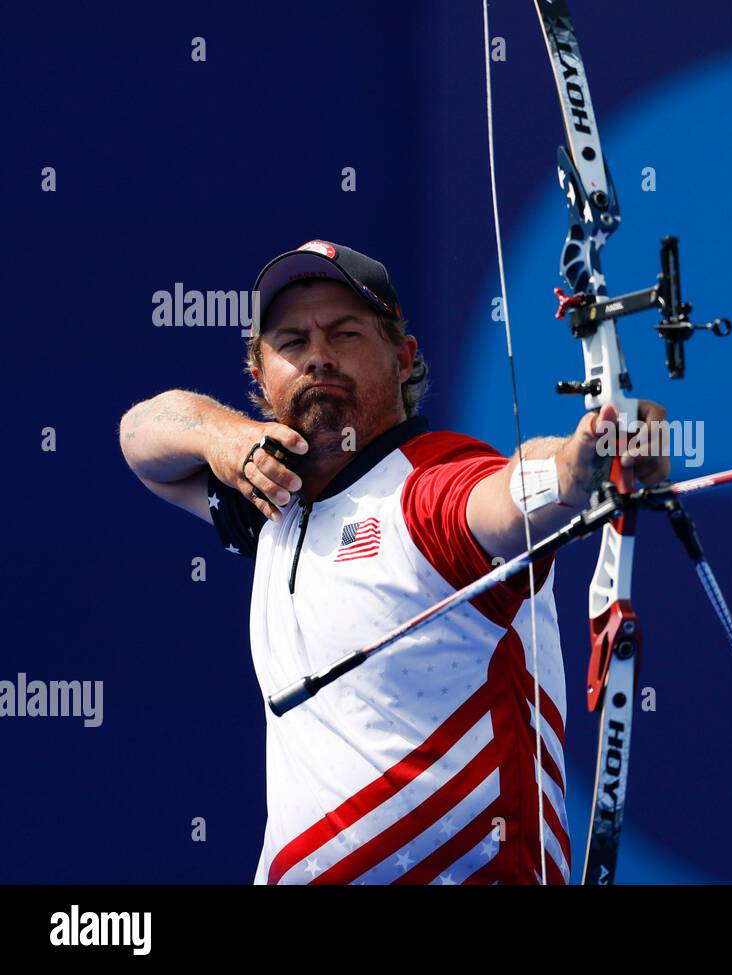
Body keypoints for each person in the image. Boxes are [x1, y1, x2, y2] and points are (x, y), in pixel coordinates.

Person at [118, 239, 667, 884]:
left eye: (345, 334)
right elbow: (141, 436)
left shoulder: (429, 485)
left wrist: (580, 465)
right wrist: (224, 437)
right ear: (260, 378)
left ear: (404, 360)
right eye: (291, 342)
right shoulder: (270, 499)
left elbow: (504, 497)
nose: (318, 356)